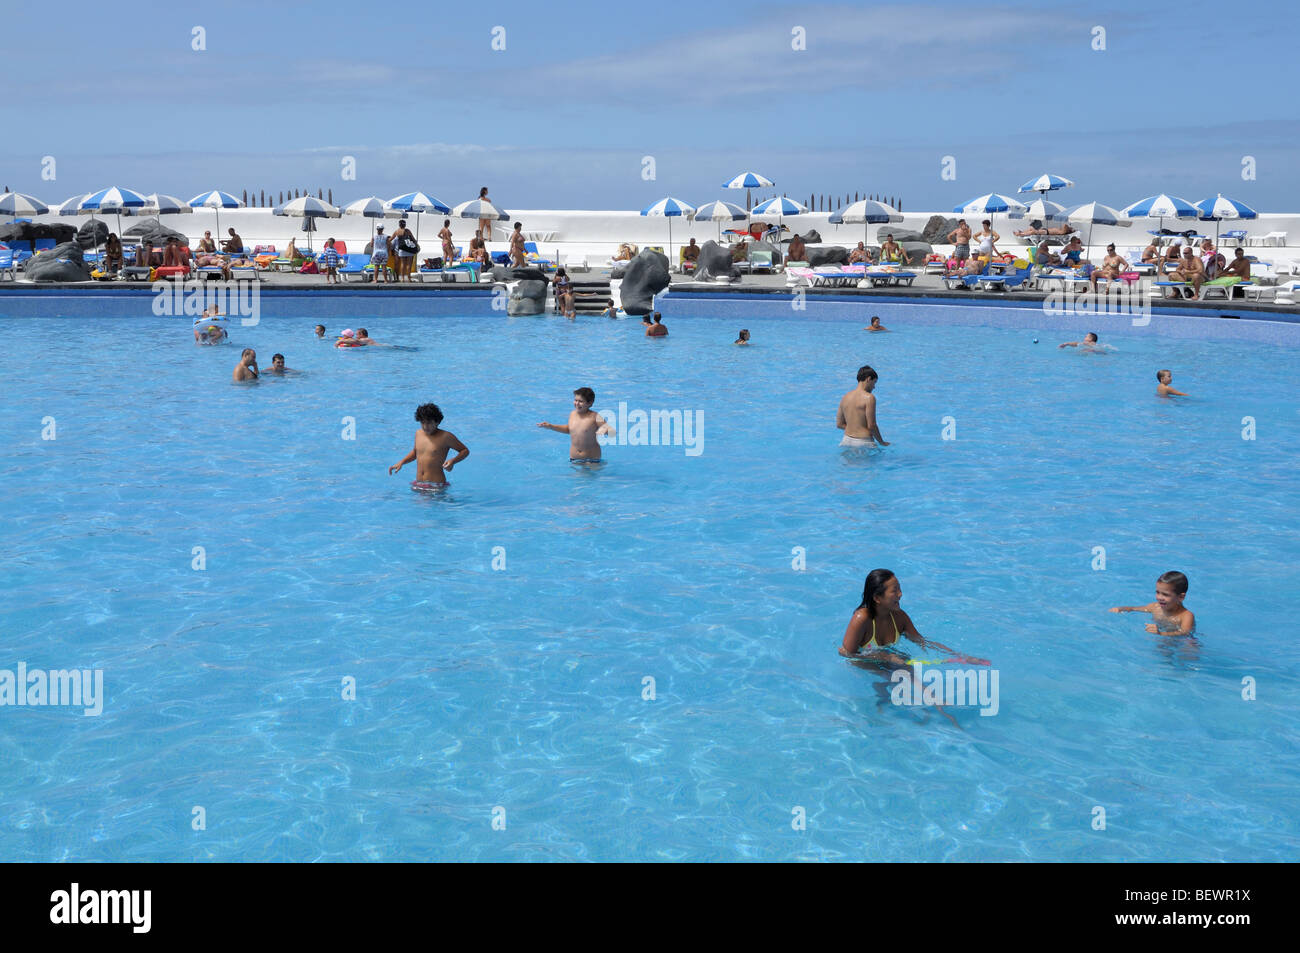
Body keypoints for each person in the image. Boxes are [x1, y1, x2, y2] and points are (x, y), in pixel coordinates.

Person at [839, 569, 983, 662]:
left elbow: (922, 642)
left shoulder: (900, 617)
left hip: (889, 663)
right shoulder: (862, 619)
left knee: (907, 667)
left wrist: (961, 656)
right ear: (877, 598)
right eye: (894, 591)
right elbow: (846, 654)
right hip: (866, 668)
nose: (900, 594)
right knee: (907, 672)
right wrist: (882, 657)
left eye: (900, 589)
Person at [389, 402, 470, 490]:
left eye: (429, 423)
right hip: (418, 483)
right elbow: (416, 452)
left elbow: (464, 450)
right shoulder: (418, 433)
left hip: (436, 485)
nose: (425, 426)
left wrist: (453, 461)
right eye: (422, 422)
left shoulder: (445, 437)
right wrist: (402, 462)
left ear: (437, 422)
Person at [538, 387, 615, 463]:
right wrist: (551, 426)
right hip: (574, 459)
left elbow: (612, 432)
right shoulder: (572, 414)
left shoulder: (595, 417)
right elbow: (569, 429)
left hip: (592, 460)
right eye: (575, 400)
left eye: (581, 401)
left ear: (590, 403)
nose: (577, 403)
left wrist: (605, 430)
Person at [1109, 571, 1195, 636]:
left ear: (1181, 597)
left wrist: (1161, 633)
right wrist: (1121, 608)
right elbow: (1133, 608)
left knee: (1189, 650)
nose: (1159, 597)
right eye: (1157, 592)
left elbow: (1184, 633)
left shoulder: (1186, 615)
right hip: (1164, 637)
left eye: (1165, 594)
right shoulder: (1155, 607)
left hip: (1183, 641)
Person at [836, 365, 889, 448]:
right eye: (874, 382)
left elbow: (839, 424)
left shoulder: (845, 397)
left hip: (846, 441)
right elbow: (872, 425)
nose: (874, 387)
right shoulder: (869, 398)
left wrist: (854, 428)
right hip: (864, 443)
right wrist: (882, 442)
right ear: (868, 379)